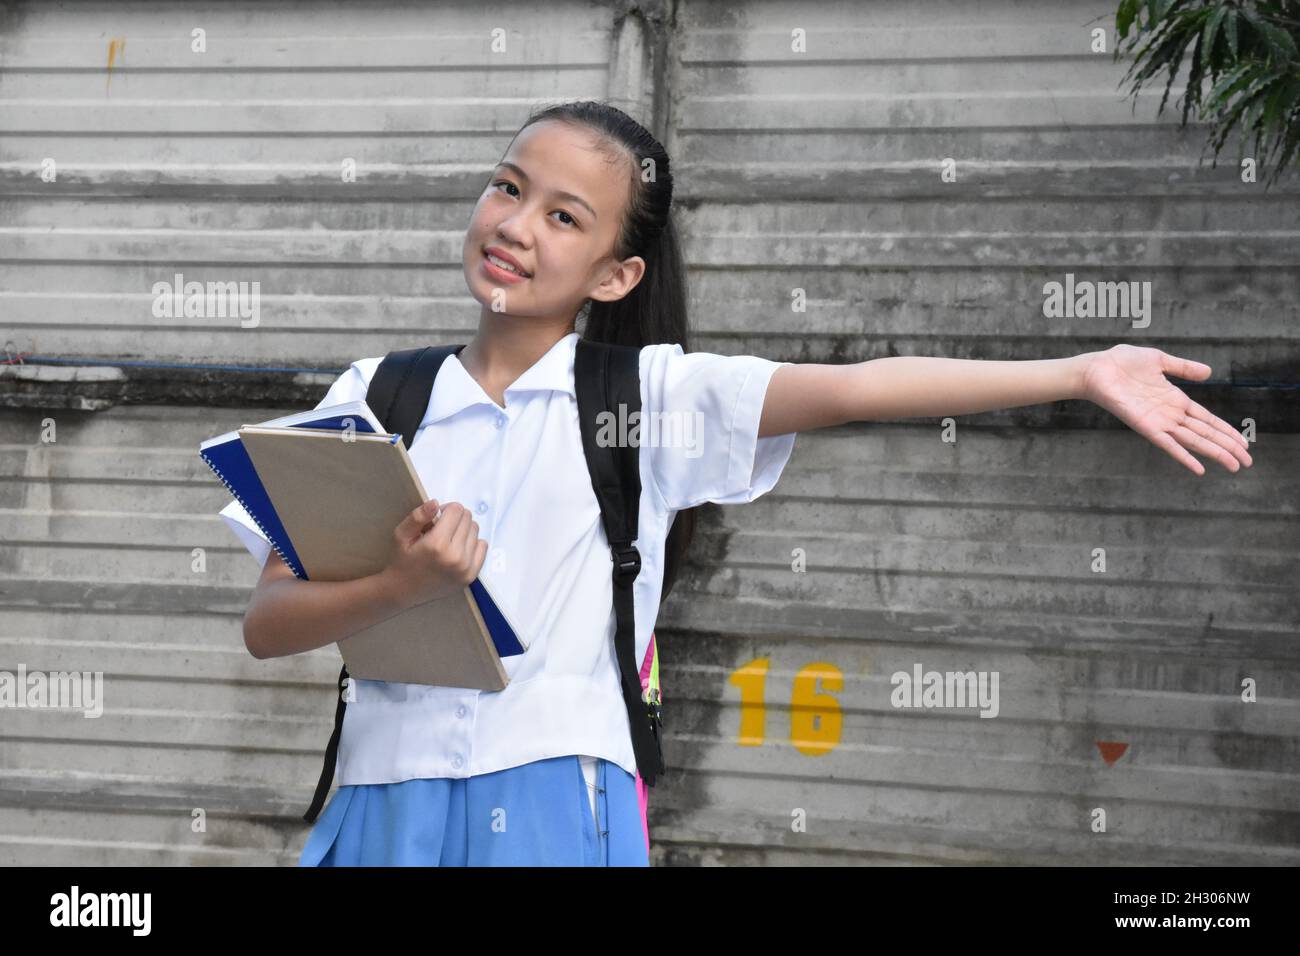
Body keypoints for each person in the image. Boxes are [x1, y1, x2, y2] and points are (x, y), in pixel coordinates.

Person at [218, 100, 1253, 867]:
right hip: (374, 797)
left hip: (554, 795)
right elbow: (271, 621)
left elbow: (855, 387)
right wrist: (401, 587)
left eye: (566, 217)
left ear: (616, 274)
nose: (517, 224)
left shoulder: (647, 395)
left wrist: (1075, 371)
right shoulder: (376, 392)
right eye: (507, 185)